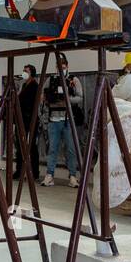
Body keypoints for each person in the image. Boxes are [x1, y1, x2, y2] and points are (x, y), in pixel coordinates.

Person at [41, 54, 82, 188]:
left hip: (68, 119)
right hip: (53, 119)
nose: (61, 69)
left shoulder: (73, 80)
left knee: (70, 149)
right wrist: (49, 100)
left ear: (67, 66)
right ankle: (49, 175)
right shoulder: (50, 80)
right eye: (58, 67)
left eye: (63, 67)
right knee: (52, 149)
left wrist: (67, 99)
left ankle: (72, 176)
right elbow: (43, 96)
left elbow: (80, 97)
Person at [15, 64, 41, 179]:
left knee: (31, 146)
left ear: (32, 73)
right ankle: (19, 170)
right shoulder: (23, 85)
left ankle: (35, 172)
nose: (24, 72)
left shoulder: (35, 86)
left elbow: (31, 103)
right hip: (21, 119)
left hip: (31, 119)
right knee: (19, 144)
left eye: (26, 71)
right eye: (23, 70)